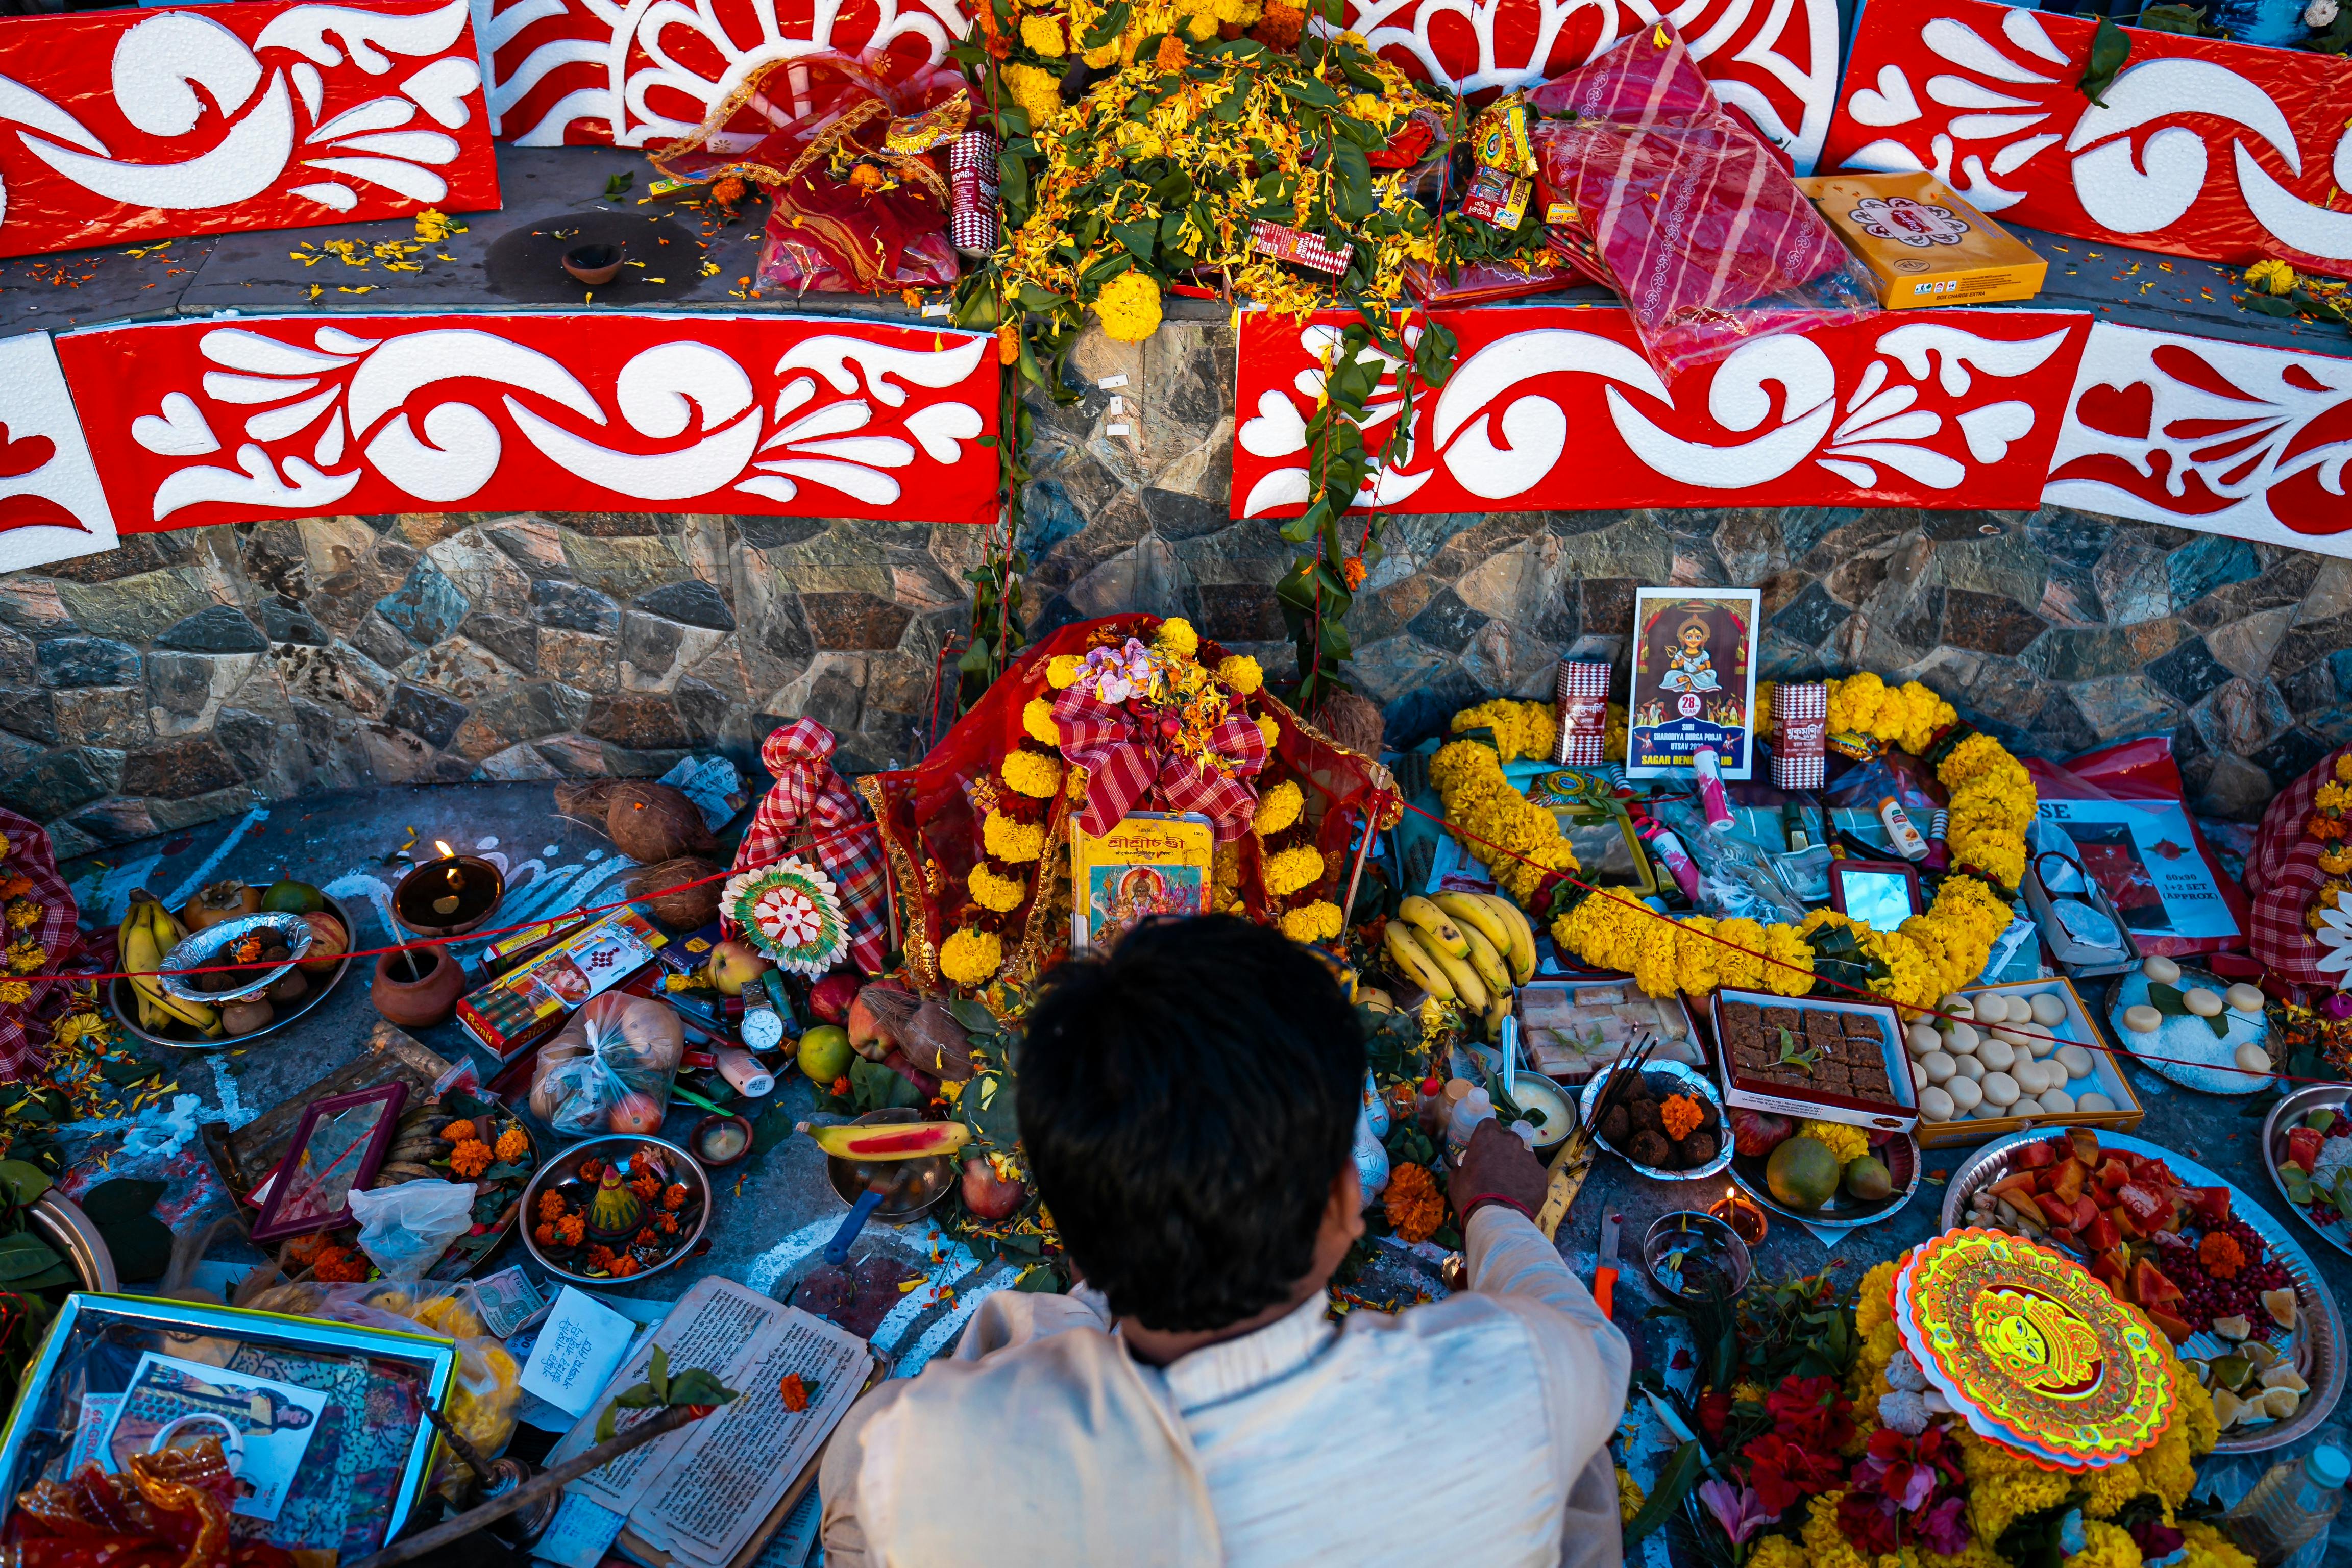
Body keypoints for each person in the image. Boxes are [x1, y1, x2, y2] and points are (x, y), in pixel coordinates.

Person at [819, 915, 1631, 1567]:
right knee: (1583, 1483)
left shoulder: (919, 1451)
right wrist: (1495, 1210)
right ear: (1348, 1201)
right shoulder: (1513, 1380)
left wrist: (1064, 1321)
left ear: (1072, 1235)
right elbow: (1589, 1347)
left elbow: (852, 1533)